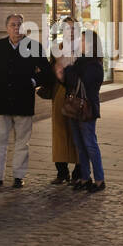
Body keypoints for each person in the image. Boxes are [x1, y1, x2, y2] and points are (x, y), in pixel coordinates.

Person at [0, 13, 49, 189]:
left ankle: (19, 176)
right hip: (1, 101)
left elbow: (46, 72)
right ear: (7, 28)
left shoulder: (34, 46)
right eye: (13, 25)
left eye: (19, 24)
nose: (16, 28)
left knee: (22, 142)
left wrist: (33, 82)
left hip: (23, 101)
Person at [65, 29, 106, 192]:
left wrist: (68, 69)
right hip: (75, 108)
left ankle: (100, 180)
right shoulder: (80, 62)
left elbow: (82, 83)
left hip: (87, 109)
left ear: (90, 44)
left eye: (82, 41)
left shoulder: (94, 64)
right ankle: (84, 177)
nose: (79, 43)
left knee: (90, 144)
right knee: (79, 144)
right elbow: (69, 83)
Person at [48, 18, 82, 186]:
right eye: (68, 29)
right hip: (60, 93)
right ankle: (62, 172)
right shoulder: (57, 48)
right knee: (60, 132)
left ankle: (78, 170)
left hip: (78, 94)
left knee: (77, 132)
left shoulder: (84, 49)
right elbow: (50, 70)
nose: (71, 32)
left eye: (74, 28)